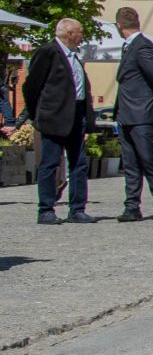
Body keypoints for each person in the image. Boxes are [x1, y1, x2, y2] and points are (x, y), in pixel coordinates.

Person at [23, 18, 95, 225]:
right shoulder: (48, 52)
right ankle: (46, 209)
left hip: (77, 115)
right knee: (50, 163)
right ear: (69, 33)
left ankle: (77, 209)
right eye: (80, 32)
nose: (82, 36)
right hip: (54, 117)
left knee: (79, 163)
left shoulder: (74, 56)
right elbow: (31, 86)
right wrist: (38, 113)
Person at [112, 8, 153, 223]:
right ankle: (132, 207)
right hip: (127, 114)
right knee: (130, 164)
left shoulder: (143, 46)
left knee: (148, 161)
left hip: (143, 115)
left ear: (119, 25)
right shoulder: (130, 46)